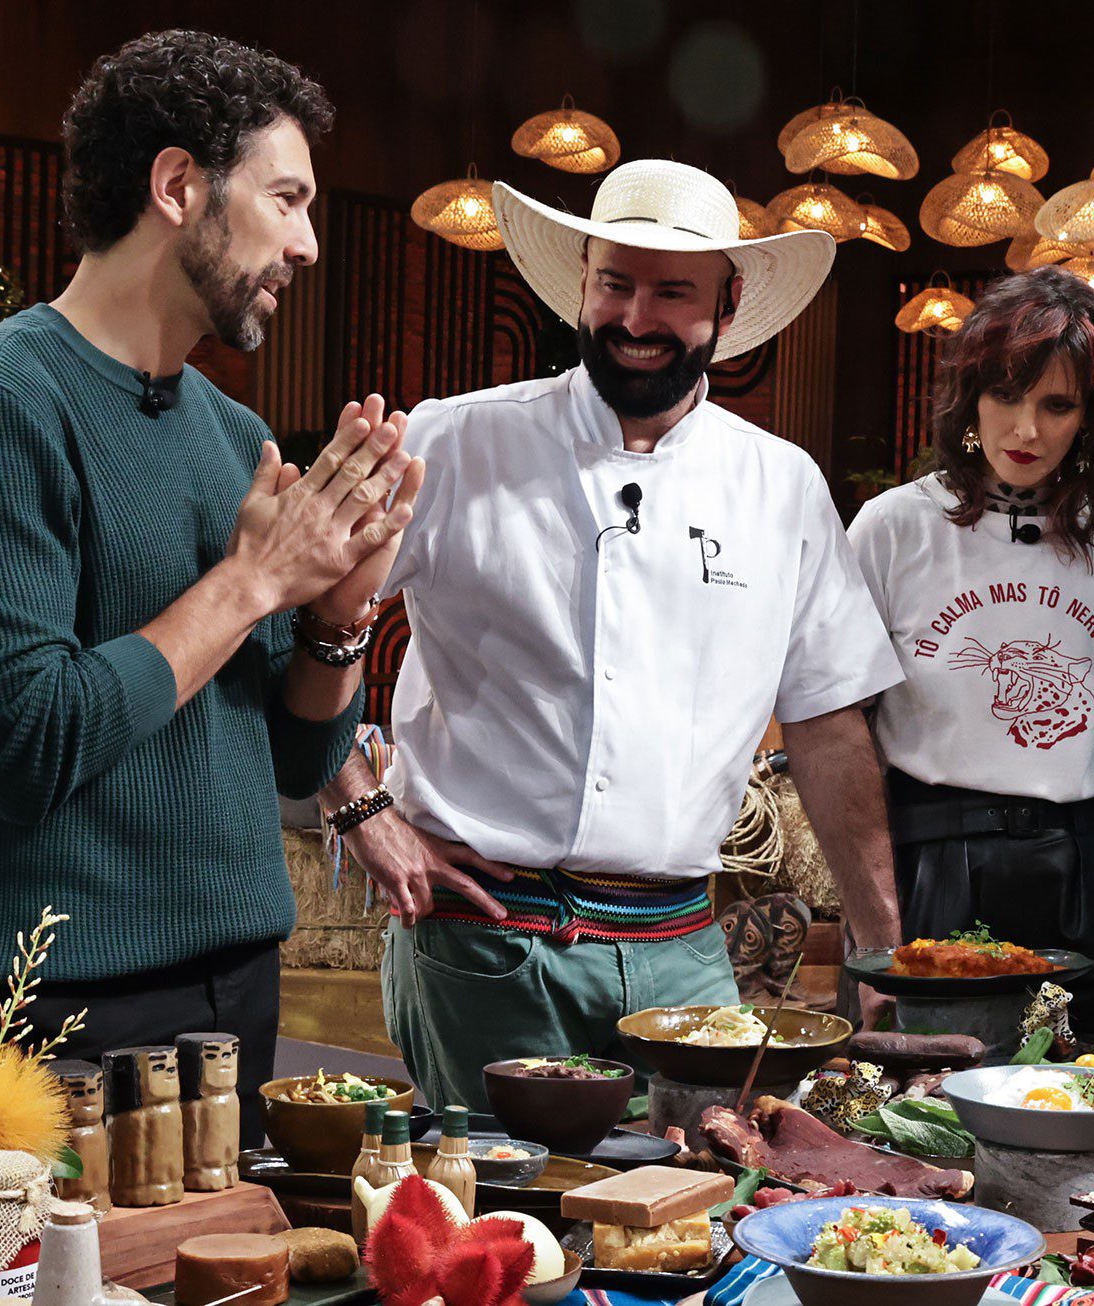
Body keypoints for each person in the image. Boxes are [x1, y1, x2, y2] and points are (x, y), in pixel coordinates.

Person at [0, 30, 417, 1146]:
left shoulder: (235, 435)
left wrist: (337, 609)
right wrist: (252, 578)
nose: (309, 244)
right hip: (40, 1012)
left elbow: (296, 760)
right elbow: (24, 744)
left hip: (231, 991)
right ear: (178, 186)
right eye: (287, 199)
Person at [319, 159, 905, 1111]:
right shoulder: (453, 442)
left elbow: (830, 724)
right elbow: (304, 623)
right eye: (615, 284)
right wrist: (357, 807)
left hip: (683, 956)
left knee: (694, 1226)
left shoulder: (783, 484)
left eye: (673, 292)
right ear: (581, 283)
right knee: (497, 1239)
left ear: (727, 302)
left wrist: (881, 951)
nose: (636, 319)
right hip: (485, 947)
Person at [847, 267, 1094, 1038]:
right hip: (933, 861)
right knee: (918, 1108)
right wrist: (867, 921)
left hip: (1084, 868)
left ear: (1091, 416)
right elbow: (842, 732)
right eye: (1006, 396)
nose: (1026, 430)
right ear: (971, 398)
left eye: (1057, 404)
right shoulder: (893, 528)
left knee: (1093, 1098)